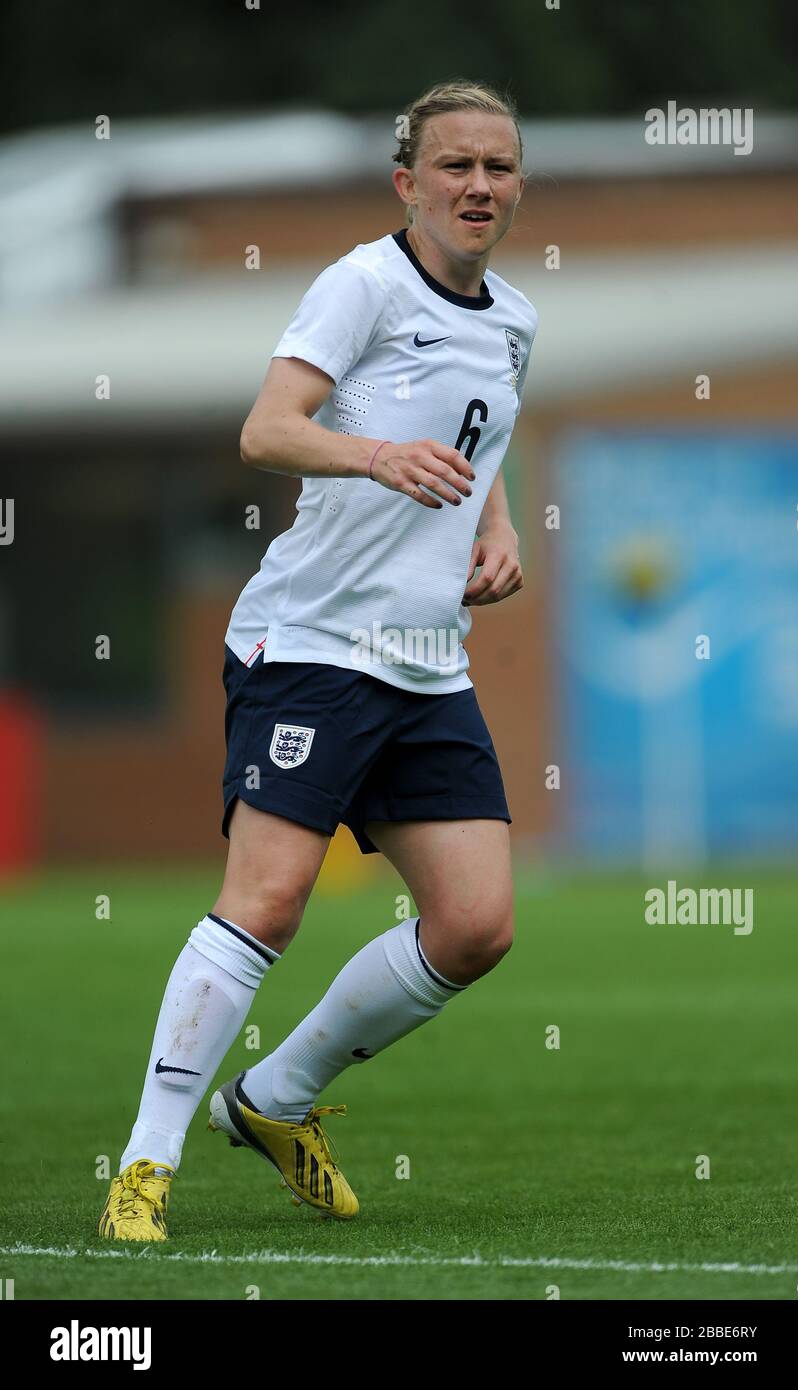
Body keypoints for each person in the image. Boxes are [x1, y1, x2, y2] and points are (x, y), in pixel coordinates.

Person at [98, 77, 538, 1239]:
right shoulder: (360, 283)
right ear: (409, 181)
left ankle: (276, 1098)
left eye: (497, 166)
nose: (478, 185)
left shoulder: (514, 320)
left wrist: (497, 534)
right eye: (455, 165)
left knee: (476, 924)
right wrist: (376, 453)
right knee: (273, 900)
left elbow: (483, 444)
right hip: (313, 647)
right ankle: (144, 1165)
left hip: (427, 663)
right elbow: (266, 430)